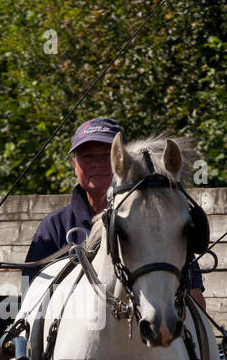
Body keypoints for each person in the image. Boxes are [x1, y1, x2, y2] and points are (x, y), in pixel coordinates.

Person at [25, 118, 206, 310]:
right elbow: (32, 296)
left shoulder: (156, 224)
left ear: (124, 161)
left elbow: (194, 296)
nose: (97, 164)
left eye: (107, 155)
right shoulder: (55, 226)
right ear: (74, 164)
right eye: (86, 156)